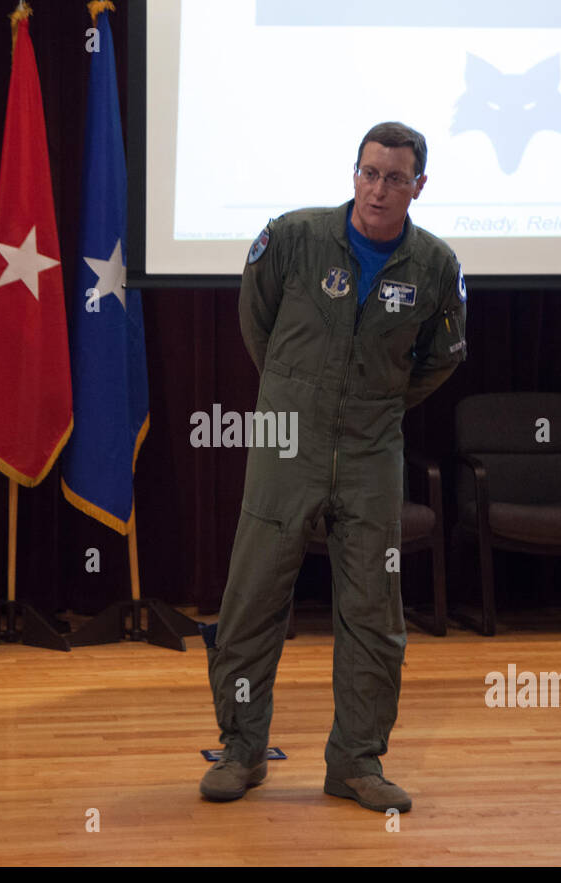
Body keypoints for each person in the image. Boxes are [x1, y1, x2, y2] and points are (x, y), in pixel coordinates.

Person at [201, 121, 467, 812]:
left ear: (419, 187)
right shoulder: (293, 237)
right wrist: (297, 394)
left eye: (396, 178)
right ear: (354, 174)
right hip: (288, 445)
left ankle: (355, 762)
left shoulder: (435, 266)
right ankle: (241, 750)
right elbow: (255, 321)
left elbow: (442, 357)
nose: (380, 189)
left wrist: (373, 406)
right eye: (370, 173)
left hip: (373, 454)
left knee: (373, 614)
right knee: (252, 602)